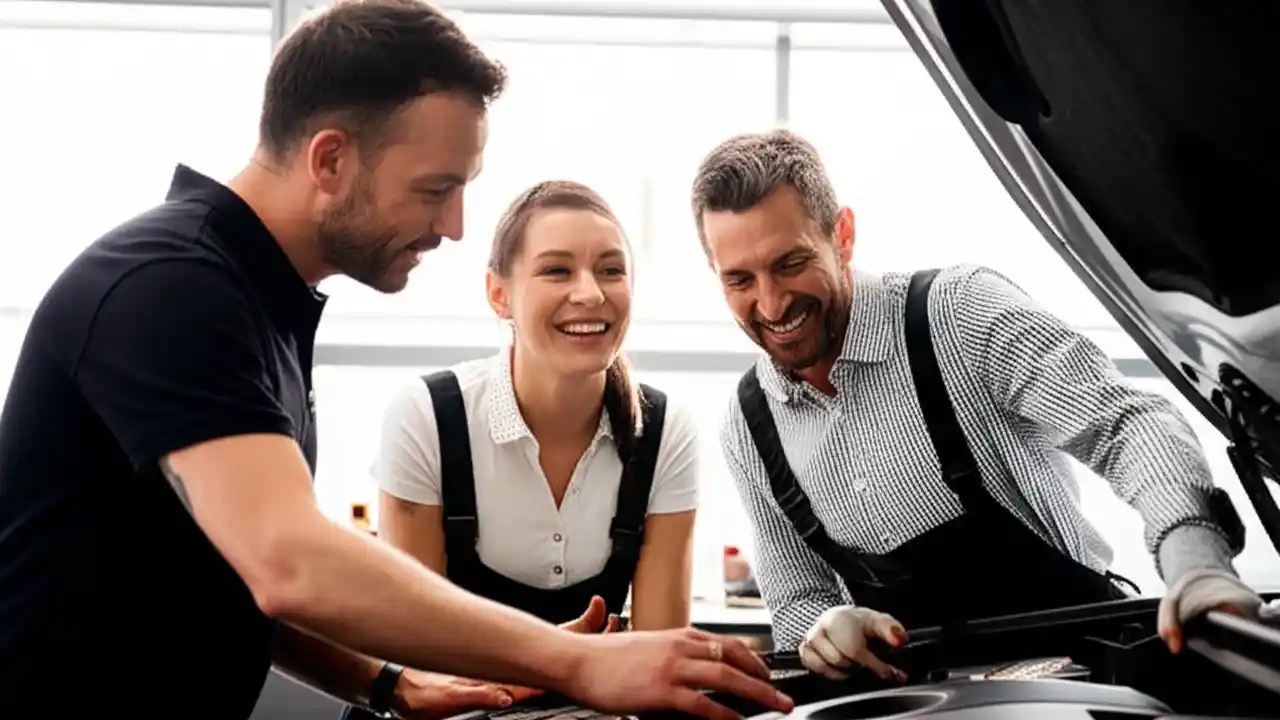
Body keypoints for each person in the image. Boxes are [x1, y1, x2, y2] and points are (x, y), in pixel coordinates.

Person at [0, 3, 794, 719]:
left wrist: (386, 684)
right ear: (331, 161)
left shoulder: (249, 302)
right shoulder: (171, 285)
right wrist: (578, 660)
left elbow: (232, 575)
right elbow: (289, 565)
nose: (452, 225)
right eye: (435, 189)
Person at [687, 128, 1264, 682]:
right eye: (739, 280)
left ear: (842, 235)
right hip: (920, 700)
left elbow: (1127, 426)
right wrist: (824, 627)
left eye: (790, 264)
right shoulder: (748, 423)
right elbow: (797, 599)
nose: (770, 302)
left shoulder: (957, 314)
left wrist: (1196, 562)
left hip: (1077, 677)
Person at [361, 181, 700, 713]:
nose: (590, 293)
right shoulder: (427, 416)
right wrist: (560, 660)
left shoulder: (662, 431)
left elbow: (657, 675)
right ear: (499, 294)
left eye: (611, 270)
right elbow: (412, 657)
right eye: (556, 270)